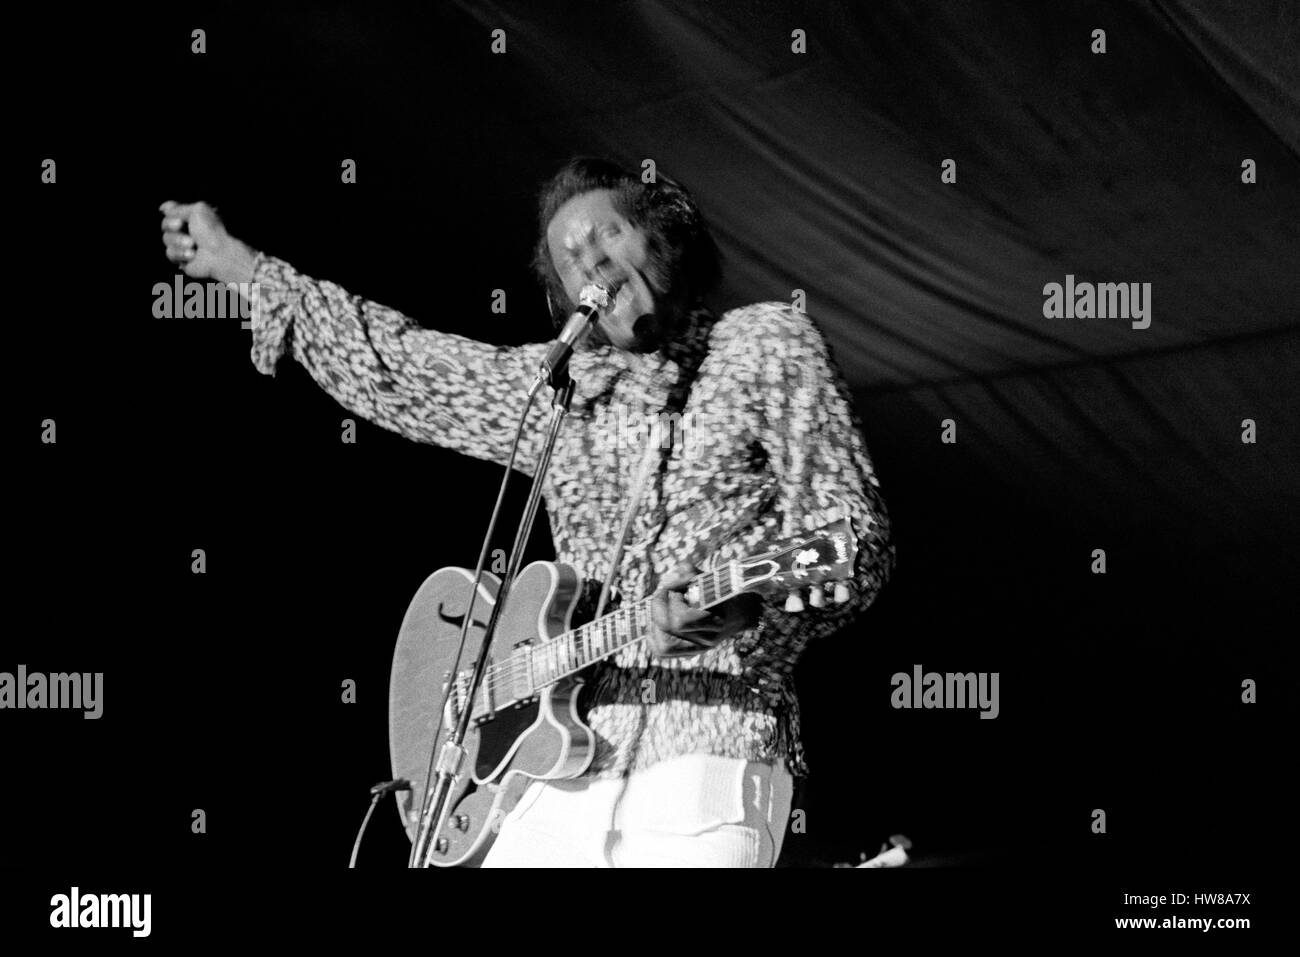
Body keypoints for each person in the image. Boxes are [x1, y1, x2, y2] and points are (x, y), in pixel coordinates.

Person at [158, 157, 894, 867]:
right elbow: (406, 367)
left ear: (664, 234)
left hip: (706, 759)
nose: (590, 261)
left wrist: (744, 604)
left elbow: (852, 535)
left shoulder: (765, 344)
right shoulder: (562, 390)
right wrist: (244, 269)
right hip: (557, 775)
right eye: (570, 259)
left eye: (607, 234)